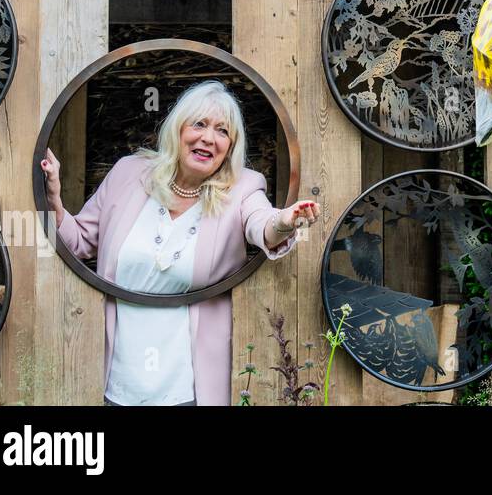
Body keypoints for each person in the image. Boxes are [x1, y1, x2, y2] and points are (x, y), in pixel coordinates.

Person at [41, 79, 320, 406]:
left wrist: (285, 222)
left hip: (186, 384)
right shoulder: (128, 174)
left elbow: (262, 223)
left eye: (222, 131)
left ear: (230, 146)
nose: (208, 138)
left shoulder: (243, 188)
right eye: (199, 124)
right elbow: (79, 242)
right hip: (116, 377)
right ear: (177, 129)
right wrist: (54, 198)